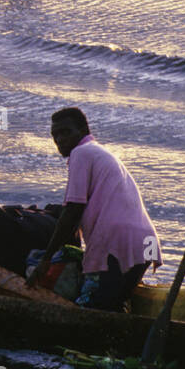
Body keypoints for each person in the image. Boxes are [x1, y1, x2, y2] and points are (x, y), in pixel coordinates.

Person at [26, 107, 162, 311]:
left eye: (66, 132)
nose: (60, 140)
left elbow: (73, 210)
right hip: (145, 243)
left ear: (83, 131)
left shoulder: (81, 153)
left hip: (117, 243)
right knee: (114, 306)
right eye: (55, 135)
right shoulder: (99, 152)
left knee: (90, 309)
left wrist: (46, 260)